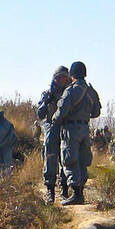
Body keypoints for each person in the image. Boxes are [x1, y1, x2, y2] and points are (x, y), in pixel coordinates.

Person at [52, 60, 101, 205]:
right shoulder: (91, 91)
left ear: (72, 74)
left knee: (70, 159)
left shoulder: (71, 90)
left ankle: (76, 194)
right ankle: (80, 192)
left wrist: (55, 119)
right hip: (85, 129)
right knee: (82, 160)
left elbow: (60, 113)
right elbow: (96, 112)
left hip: (70, 130)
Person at [36, 66, 72, 203]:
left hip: (66, 128)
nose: (61, 80)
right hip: (51, 127)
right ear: (54, 79)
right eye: (59, 77)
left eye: (64, 77)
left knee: (66, 159)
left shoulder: (70, 93)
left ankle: (64, 190)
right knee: (50, 158)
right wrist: (47, 101)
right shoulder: (47, 93)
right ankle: (50, 191)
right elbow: (39, 114)